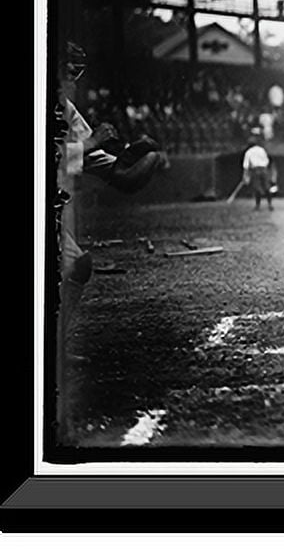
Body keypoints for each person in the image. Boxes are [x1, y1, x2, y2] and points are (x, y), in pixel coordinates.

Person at [55, 41, 162, 439]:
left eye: (74, 69)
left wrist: (133, 157)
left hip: (50, 203)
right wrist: (93, 142)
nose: (71, 76)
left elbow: (107, 167)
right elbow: (54, 155)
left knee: (77, 265)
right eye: (67, 67)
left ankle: (54, 347)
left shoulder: (64, 107)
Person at [242, 133, 274, 211]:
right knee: (267, 187)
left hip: (255, 170)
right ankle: (270, 204)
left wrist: (245, 175)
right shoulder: (261, 150)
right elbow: (267, 161)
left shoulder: (248, 152)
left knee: (257, 188)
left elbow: (246, 165)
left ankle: (258, 205)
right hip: (264, 169)